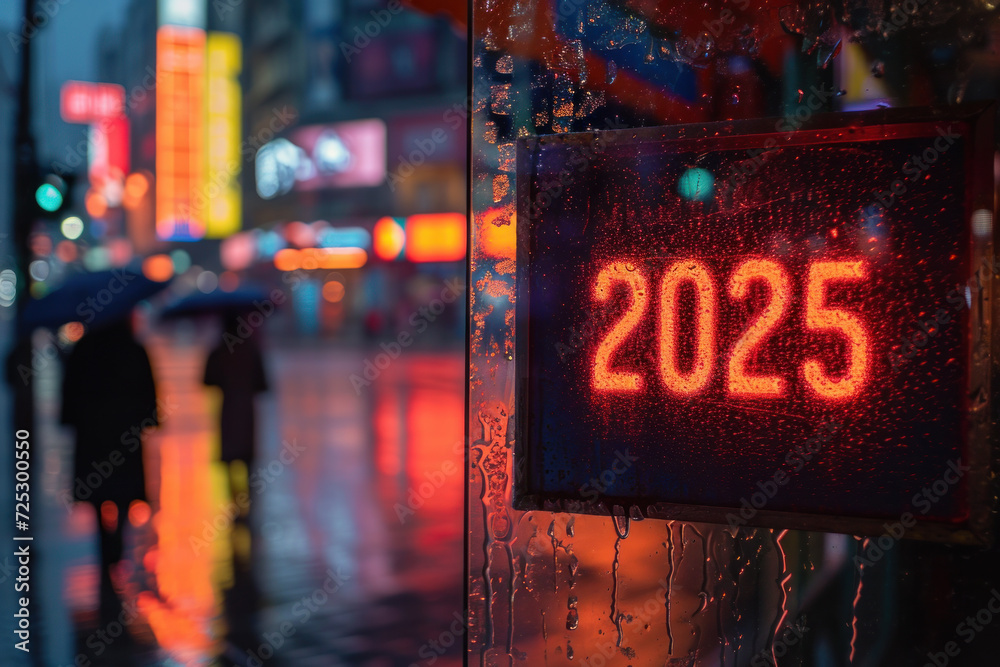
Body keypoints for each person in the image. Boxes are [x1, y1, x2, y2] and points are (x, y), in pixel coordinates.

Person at [60, 316, 158, 626]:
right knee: (125, 490)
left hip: (94, 436)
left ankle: (106, 541)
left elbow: (70, 395)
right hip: (124, 436)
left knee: (100, 493)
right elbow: (148, 394)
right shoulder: (133, 349)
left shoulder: (84, 349)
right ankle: (117, 540)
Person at [203, 313, 269, 517]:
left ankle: (234, 503)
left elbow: (206, 380)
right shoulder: (251, 351)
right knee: (247, 460)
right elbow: (264, 384)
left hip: (228, 410)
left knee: (230, 459)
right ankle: (247, 505)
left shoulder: (219, 351)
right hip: (246, 412)